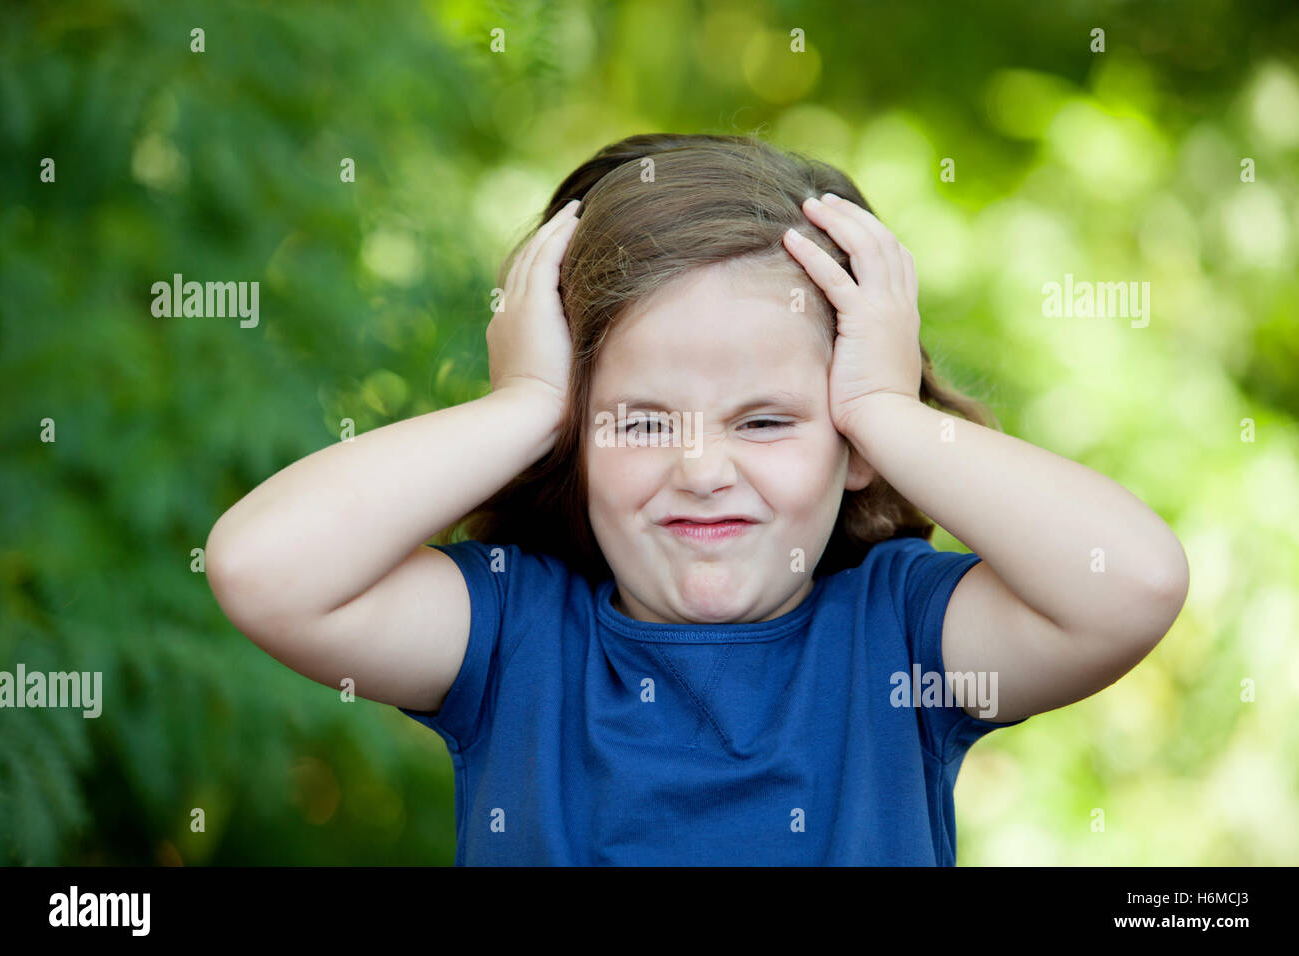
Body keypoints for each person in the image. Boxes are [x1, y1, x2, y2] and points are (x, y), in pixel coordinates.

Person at [205, 133, 1190, 865]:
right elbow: (262, 567)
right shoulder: (513, 634)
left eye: (765, 421)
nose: (702, 466)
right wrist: (525, 405)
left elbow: (1133, 582)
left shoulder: (902, 640)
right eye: (638, 420)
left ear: (849, 443)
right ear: (572, 443)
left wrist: (884, 410)